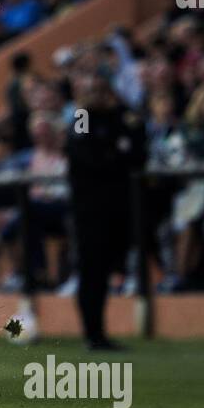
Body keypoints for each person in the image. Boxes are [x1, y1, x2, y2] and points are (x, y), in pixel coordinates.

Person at [65, 70, 146, 350]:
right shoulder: (82, 119)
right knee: (92, 272)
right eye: (91, 91)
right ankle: (93, 333)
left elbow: (137, 151)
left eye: (102, 90)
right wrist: (116, 153)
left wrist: (114, 152)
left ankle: (99, 333)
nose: (97, 97)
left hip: (117, 208)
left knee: (110, 268)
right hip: (89, 211)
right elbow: (91, 158)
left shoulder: (119, 117)